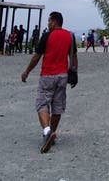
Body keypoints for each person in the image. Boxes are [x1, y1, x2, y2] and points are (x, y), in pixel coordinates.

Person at [21, 11, 78, 153]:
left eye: (49, 21)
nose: (48, 24)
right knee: (58, 106)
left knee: (42, 104)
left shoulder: (47, 36)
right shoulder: (70, 36)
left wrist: (26, 71)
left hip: (47, 75)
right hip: (62, 75)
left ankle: (47, 131)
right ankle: (51, 133)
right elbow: (74, 57)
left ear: (54, 22)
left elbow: (36, 57)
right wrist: (74, 73)